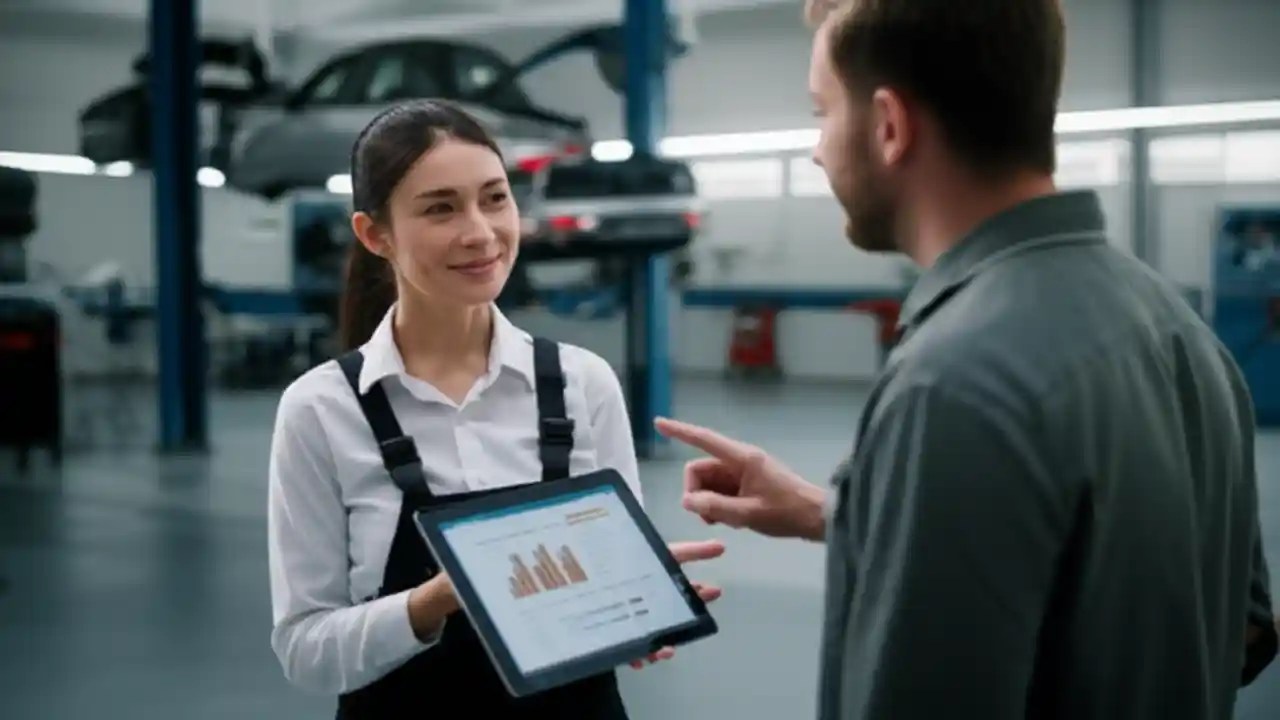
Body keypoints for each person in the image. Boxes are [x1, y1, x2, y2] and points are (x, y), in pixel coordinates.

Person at [656, 1, 1278, 718]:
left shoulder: (952, 381)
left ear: (889, 126)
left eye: (822, 112)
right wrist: (837, 513)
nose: (818, 150)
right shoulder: (1173, 323)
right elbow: (1241, 633)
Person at [266, 99, 724, 719]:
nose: (480, 232)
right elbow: (306, 650)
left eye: (495, 198)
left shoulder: (582, 384)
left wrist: (637, 606)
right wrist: (434, 601)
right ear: (376, 235)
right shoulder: (322, 410)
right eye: (440, 208)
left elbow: (612, 600)